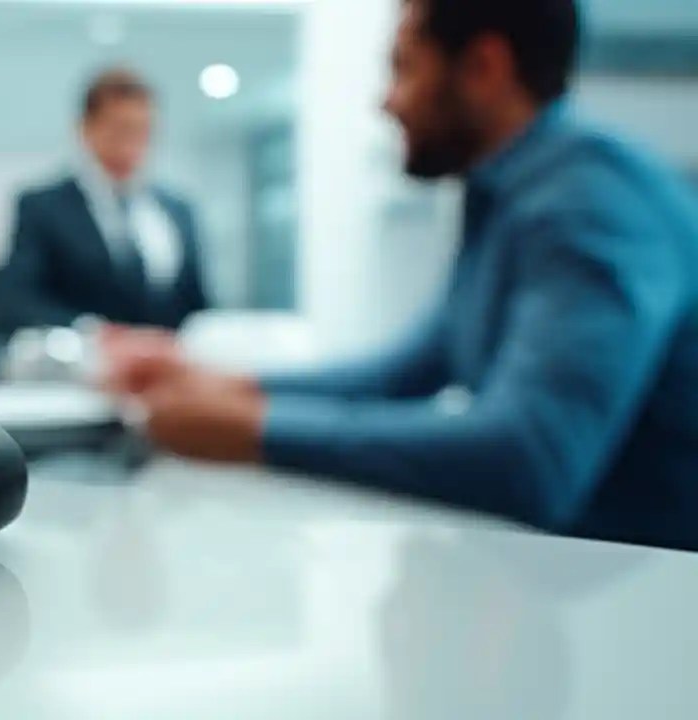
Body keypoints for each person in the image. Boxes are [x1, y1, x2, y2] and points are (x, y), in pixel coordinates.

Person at [104, 0, 698, 551]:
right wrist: (225, 385)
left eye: (404, 68)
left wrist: (257, 430)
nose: (387, 101)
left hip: (651, 610)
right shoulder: (508, 191)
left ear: (485, 67)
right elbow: (411, 366)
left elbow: (529, 458)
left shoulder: (590, 205)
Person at [0, 68, 209, 333]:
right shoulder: (42, 207)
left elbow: (198, 305)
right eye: (121, 129)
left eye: (143, 131)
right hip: (83, 365)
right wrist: (92, 331)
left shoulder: (178, 210)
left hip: (166, 365)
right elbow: (15, 302)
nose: (132, 144)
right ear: (85, 128)